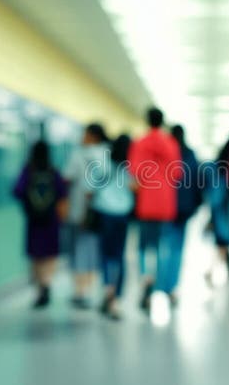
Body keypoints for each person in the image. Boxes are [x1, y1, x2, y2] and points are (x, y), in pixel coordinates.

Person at [128, 108, 182, 313]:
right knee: (162, 246)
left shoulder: (140, 143)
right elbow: (176, 172)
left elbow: (134, 172)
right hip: (165, 202)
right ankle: (160, 284)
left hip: (146, 202)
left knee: (143, 245)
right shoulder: (171, 143)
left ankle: (145, 276)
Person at [13, 141, 68, 309]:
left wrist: (29, 205)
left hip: (34, 220)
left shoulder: (28, 171)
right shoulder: (53, 171)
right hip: (51, 220)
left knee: (36, 254)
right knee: (50, 254)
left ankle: (39, 288)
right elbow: (63, 193)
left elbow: (17, 191)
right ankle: (46, 282)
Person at [63, 123, 109, 309]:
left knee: (78, 249)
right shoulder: (107, 154)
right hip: (100, 211)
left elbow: (67, 176)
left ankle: (80, 290)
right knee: (93, 248)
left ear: (92, 136)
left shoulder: (79, 154)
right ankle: (89, 288)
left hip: (79, 208)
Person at [90, 134, 135, 320]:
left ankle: (107, 287)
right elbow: (136, 187)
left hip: (105, 212)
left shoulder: (104, 163)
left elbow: (91, 186)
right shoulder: (131, 167)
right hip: (122, 214)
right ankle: (116, 299)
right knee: (119, 255)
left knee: (105, 254)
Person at [166, 125, 203, 305]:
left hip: (165, 206)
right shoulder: (191, 155)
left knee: (164, 245)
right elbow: (197, 180)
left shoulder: (166, 152)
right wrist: (196, 204)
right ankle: (172, 286)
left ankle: (160, 284)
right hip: (185, 207)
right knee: (178, 247)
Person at [202, 133, 229, 286]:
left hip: (219, 212)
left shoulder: (216, 167)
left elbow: (212, 195)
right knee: (223, 244)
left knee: (223, 244)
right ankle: (210, 272)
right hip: (226, 213)